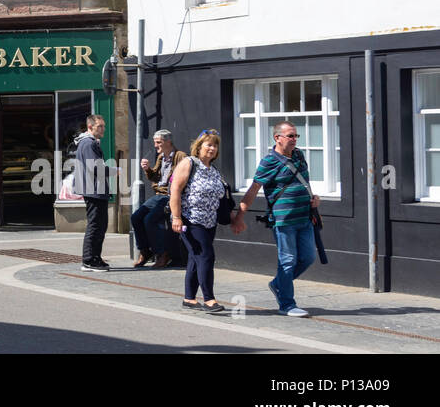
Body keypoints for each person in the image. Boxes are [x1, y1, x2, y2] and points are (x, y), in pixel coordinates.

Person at [234, 121, 320, 317]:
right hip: (283, 220)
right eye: (290, 136)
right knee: (287, 261)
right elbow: (253, 190)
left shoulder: (298, 155)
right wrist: (240, 216)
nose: (294, 140)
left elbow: (305, 181)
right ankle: (287, 304)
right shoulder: (269, 161)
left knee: (307, 258)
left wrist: (314, 198)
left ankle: (277, 284)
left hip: (305, 216)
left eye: (296, 136)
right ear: (277, 138)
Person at [170, 130, 238, 313]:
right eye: (208, 144)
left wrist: (233, 217)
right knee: (206, 256)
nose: (212, 148)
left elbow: (222, 197)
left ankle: (189, 298)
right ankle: (209, 299)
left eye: (215, 145)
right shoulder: (189, 163)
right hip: (189, 220)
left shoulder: (214, 171)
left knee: (195, 258)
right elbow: (175, 189)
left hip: (209, 221)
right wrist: (176, 217)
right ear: (199, 147)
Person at [132, 130, 185, 268]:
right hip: (158, 195)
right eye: (155, 142)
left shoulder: (180, 157)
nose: (156, 145)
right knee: (136, 217)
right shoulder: (161, 157)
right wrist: (148, 169)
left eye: (158, 142)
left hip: (170, 196)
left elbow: (185, 178)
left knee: (150, 219)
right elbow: (155, 177)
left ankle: (162, 254)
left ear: (168, 142)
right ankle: (145, 251)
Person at [73, 114, 112, 272]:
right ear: (90, 127)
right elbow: (94, 167)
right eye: (100, 126)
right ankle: (89, 260)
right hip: (93, 190)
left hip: (95, 190)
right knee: (95, 225)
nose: (103, 129)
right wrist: (114, 170)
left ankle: (95, 257)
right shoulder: (88, 144)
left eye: (103, 126)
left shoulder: (89, 143)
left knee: (100, 225)